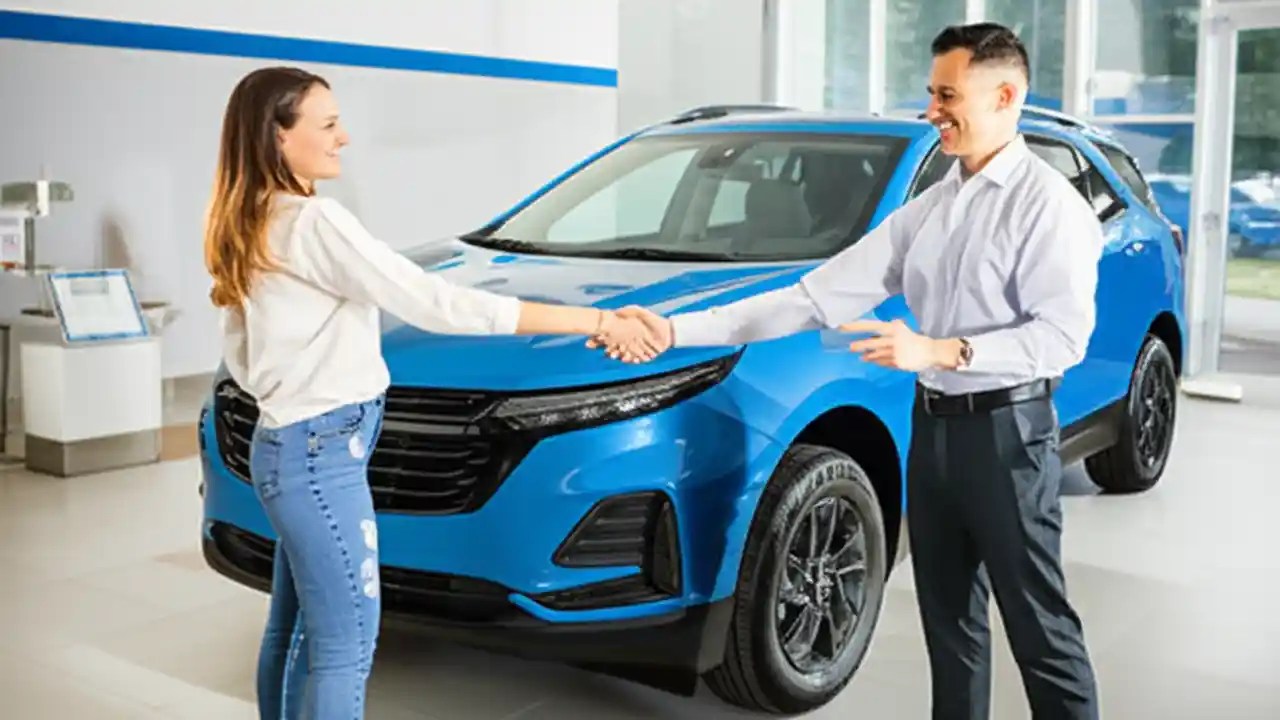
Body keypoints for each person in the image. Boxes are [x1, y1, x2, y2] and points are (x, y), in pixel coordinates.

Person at [590, 23, 1102, 720]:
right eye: (931, 93)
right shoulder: (935, 205)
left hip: (1008, 434)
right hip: (936, 431)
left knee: (1039, 627)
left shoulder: (1050, 208)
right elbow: (812, 297)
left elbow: (1062, 337)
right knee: (950, 626)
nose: (932, 111)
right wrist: (673, 330)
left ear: (1006, 95)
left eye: (947, 95)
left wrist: (941, 350)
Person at [203, 66, 652, 720]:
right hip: (321, 455)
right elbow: (439, 304)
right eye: (327, 124)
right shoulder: (314, 223)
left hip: (284, 446)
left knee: (293, 626)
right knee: (346, 645)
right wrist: (598, 320)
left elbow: (245, 360)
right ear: (277, 138)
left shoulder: (246, 220)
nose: (343, 137)